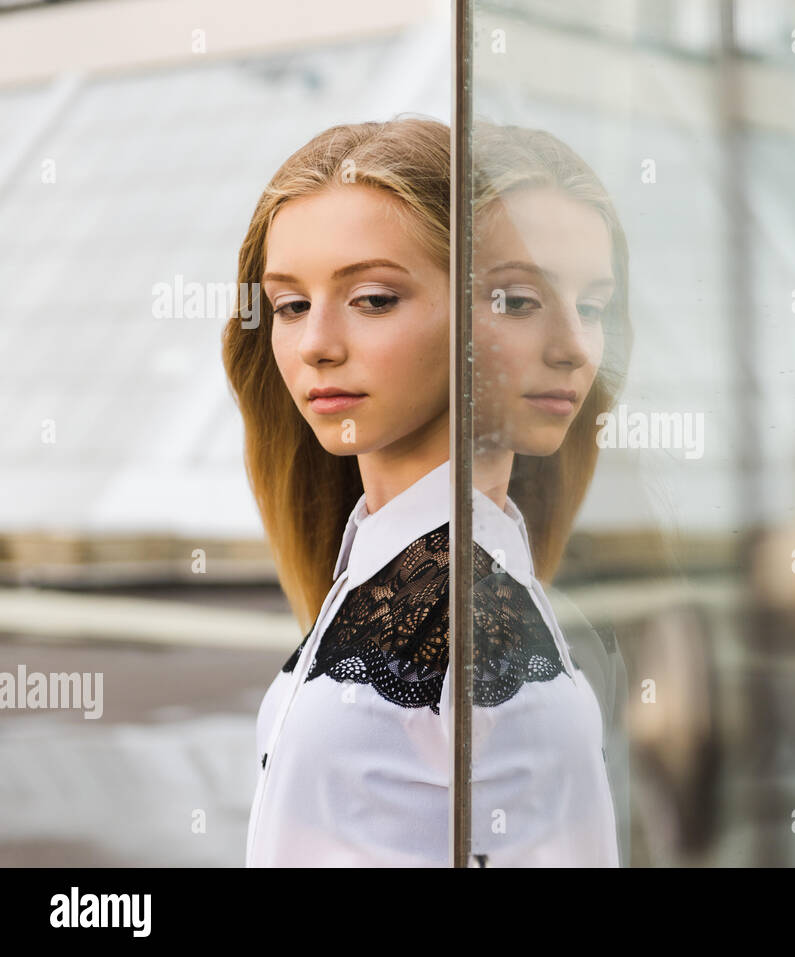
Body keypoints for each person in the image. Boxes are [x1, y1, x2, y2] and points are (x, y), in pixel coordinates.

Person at [221, 114, 633, 866]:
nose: (317, 343)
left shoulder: (477, 621)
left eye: (374, 298)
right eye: (290, 305)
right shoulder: (393, 569)